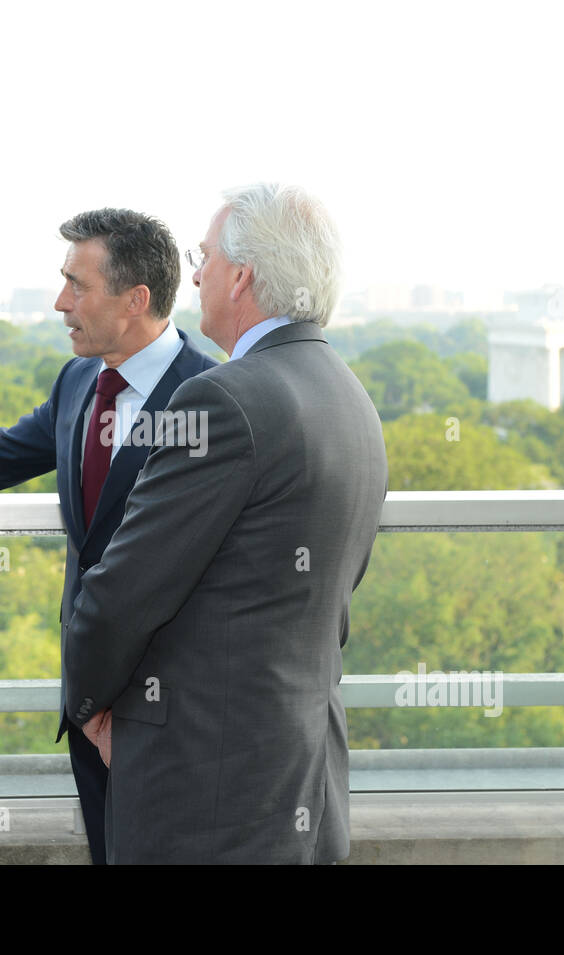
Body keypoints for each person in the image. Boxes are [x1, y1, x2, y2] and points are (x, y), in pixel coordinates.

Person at [63, 183, 388, 864]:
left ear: (240, 277)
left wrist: (89, 704)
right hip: (301, 773)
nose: (198, 273)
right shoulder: (349, 395)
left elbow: (123, 591)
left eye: (204, 257)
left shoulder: (223, 399)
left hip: (205, 789)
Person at [0, 208, 216, 863]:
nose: (60, 302)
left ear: (135, 300)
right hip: (86, 703)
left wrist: (128, 708)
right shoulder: (79, 380)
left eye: (77, 285)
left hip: (171, 715)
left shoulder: (212, 393)